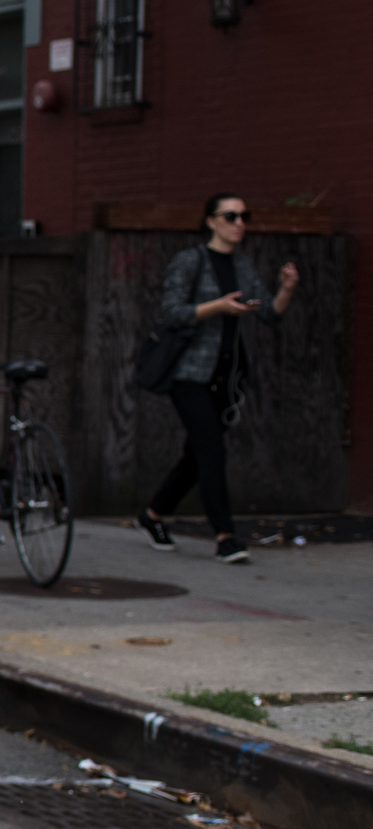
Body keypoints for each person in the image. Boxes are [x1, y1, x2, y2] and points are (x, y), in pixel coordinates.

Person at [140, 192, 299, 564]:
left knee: (196, 454)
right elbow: (172, 312)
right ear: (211, 221)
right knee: (212, 449)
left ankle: (152, 515)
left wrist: (286, 289)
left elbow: (269, 313)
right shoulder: (189, 261)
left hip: (226, 376)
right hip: (189, 373)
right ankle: (226, 536)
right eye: (230, 216)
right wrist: (219, 306)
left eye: (244, 216)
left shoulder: (242, 264)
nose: (239, 223)